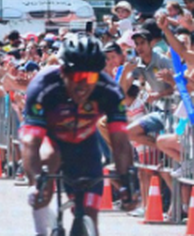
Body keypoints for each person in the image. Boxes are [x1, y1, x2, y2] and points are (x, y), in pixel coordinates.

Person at [21, 36, 138, 236]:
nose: (83, 86)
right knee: (47, 169)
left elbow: (120, 142)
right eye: (77, 78)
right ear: (63, 72)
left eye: (90, 78)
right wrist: (36, 180)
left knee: (90, 214)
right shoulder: (44, 85)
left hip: (84, 144)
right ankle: (41, 230)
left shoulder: (109, 90)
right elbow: (31, 141)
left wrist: (128, 181)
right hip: (49, 140)